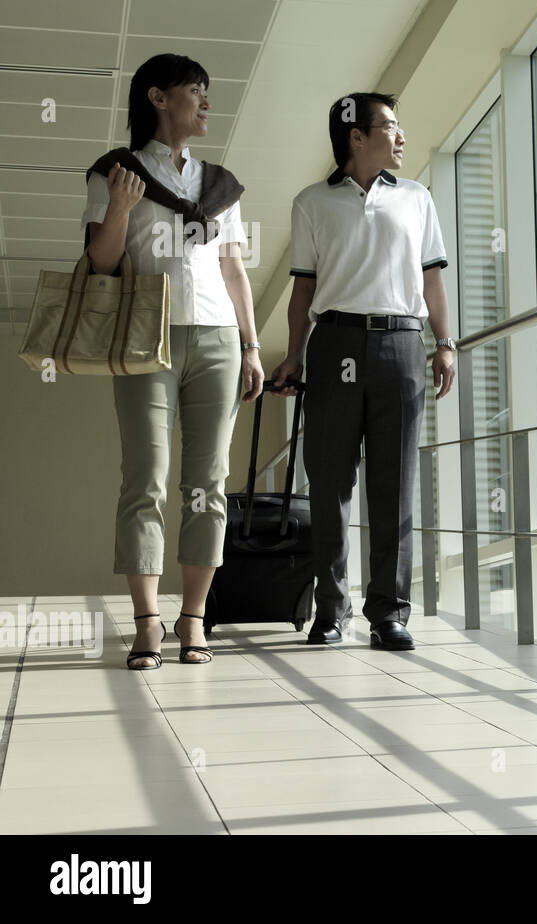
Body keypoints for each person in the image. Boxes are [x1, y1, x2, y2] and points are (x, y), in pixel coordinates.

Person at [83, 53, 263, 669]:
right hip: (145, 336)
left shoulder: (222, 185)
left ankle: (193, 620)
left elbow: (234, 267)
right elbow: (102, 265)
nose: (207, 103)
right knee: (146, 479)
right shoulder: (116, 173)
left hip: (216, 337)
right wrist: (121, 210)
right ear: (158, 97)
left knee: (207, 484)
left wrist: (252, 344)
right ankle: (146, 623)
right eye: (196, 92)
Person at [269, 92, 455, 650]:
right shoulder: (311, 203)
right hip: (337, 343)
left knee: (394, 481)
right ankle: (331, 610)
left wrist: (445, 342)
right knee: (329, 481)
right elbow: (303, 289)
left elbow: (432, 283)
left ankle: (389, 612)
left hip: (401, 343)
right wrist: (296, 353)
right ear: (356, 136)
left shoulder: (418, 198)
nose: (401, 137)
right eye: (391, 127)